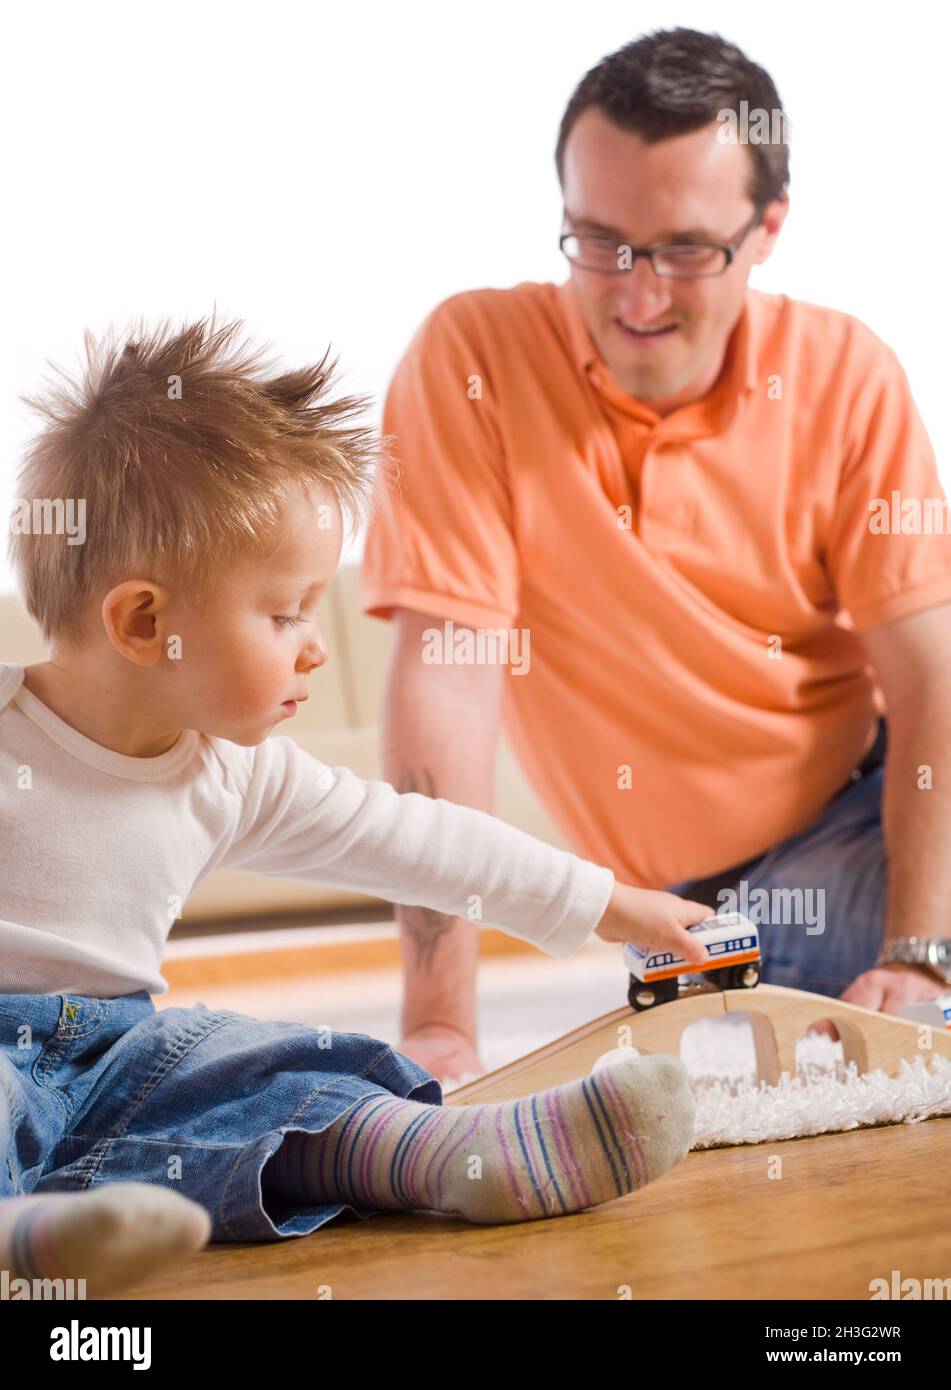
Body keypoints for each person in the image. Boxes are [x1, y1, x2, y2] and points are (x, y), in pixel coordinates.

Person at [0, 315, 713, 1293]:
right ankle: (33, 1236)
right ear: (143, 622)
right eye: (285, 612)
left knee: (274, 1066)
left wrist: (612, 904)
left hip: (122, 1061)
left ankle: (451, 1151)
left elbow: (419, 841)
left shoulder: (235, 775)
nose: (316, 645)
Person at [361, 26, 951, 1083]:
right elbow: (446, 696)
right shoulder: (474, 361)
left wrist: (921, 956)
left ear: (768, 228)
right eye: (599, 242)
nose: (635, 297)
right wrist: (439, 1026)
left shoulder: (847, 374)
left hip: (870, 818)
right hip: (689, 911)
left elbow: (930, 679)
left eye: (684, 250)